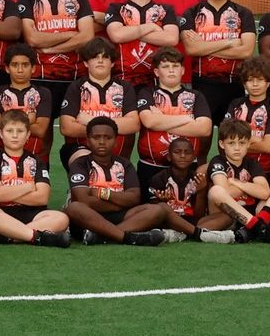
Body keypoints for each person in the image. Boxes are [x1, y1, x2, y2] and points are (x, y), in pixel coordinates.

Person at [60, 116, 169, 245]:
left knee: (158, 210)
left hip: (121, 216)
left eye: (107, 137)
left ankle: (102, 236)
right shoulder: (80, 164)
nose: (102, 141)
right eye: (96, 137)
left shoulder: (125, 164)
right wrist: (120, 203)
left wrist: (102, 193)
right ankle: (127, 237)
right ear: (88, 141)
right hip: (90, 217)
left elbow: (134, 198)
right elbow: (83, 199)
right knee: (74, 207)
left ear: (116, 141)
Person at [179, 0, 256, 122]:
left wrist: (204, 46)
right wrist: (229, 41)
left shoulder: (243, 14)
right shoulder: (191, 13)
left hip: (234, 84)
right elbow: (192, 49)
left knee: (232, 137)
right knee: (202, 138)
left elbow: (246, 51)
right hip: (202, 84)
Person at [0, 127, 67, 244]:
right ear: (1, 134)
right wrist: (28, 187)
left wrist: (5, 193)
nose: (15, 135)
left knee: (61, 218)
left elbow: (42, 198)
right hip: (1, 213)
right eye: (9, 131)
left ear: (28, 135)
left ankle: (9, 237)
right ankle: (37, 236)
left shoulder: (37, 161)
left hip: (32, 213)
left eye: (20, 131)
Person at [200, 124, 270, 242]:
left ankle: (254, 227)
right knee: (216, 191)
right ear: (221, 144)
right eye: (231, 143)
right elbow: (224, 191)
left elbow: (264, 192)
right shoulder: (218, 161)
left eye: (242, 143)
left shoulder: (252, 163)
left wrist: (237, 183)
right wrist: (251, 187)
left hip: (252, 212)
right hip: (226, 216)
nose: (237, 148)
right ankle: (257, 227)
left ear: (249, 144)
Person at [132, 46, 210, 167]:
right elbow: (149, 122)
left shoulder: (196, 96)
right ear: (157, 72)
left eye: (175, 66)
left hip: (188, 166)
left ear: (182, 70)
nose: (171, 70)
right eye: (165, 67)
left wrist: (161, 121)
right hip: (151, 165)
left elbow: (204, 129)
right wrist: (187, 119)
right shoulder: (147, 93)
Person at [138, 133, 208, 242]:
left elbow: (199, 215)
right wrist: (161, 201)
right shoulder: (159, 178)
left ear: (194, 157)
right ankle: (194, 233)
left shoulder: (197, 178)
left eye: (187, 152)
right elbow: (153, 213)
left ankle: (182, 233)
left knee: (224, 218)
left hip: (192, 222)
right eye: (177, 152)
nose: (183, 156)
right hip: (168, 222)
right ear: (169, 157)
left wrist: (201, 192)